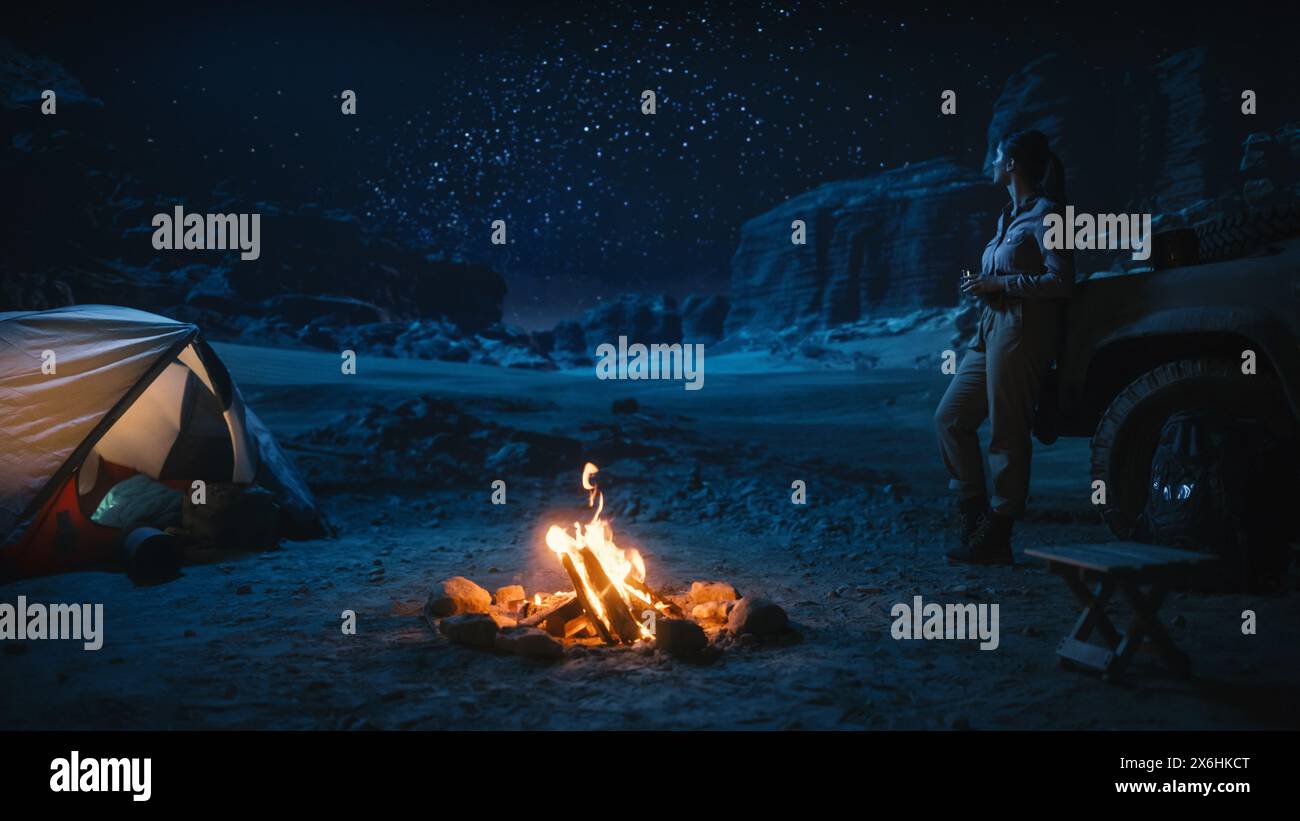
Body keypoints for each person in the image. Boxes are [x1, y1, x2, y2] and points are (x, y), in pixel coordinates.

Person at [935, 129, 1075, 565]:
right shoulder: (1007, 217)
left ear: (1011, 164)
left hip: (1022, 328)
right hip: (990, 326)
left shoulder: (1051, 214)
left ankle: (997, 532)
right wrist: (982, 284)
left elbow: (1062, 280)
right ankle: (974, 513)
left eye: (996, 157)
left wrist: (1001, 282)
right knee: (950, 418)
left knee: (1007, 431)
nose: (991, 164)